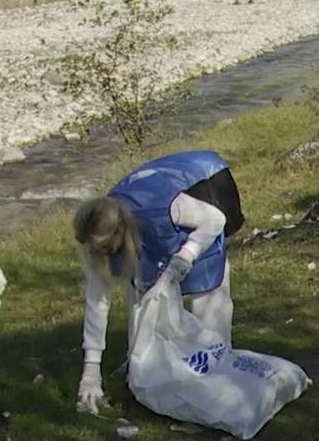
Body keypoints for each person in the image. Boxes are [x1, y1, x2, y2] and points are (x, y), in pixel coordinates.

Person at [70, 150, 244, 414]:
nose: (102, 254)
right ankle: (150, 367)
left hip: (206, 186)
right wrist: (91, 370)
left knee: (207, 292)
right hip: (160, 206)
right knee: (145, 291)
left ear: (120, 232)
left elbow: (215, 220)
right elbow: (98, 300)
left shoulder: (162, 209)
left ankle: (219, 385)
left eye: (106, 248)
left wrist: (186, 256)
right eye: (96, 249)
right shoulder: (97, 232)